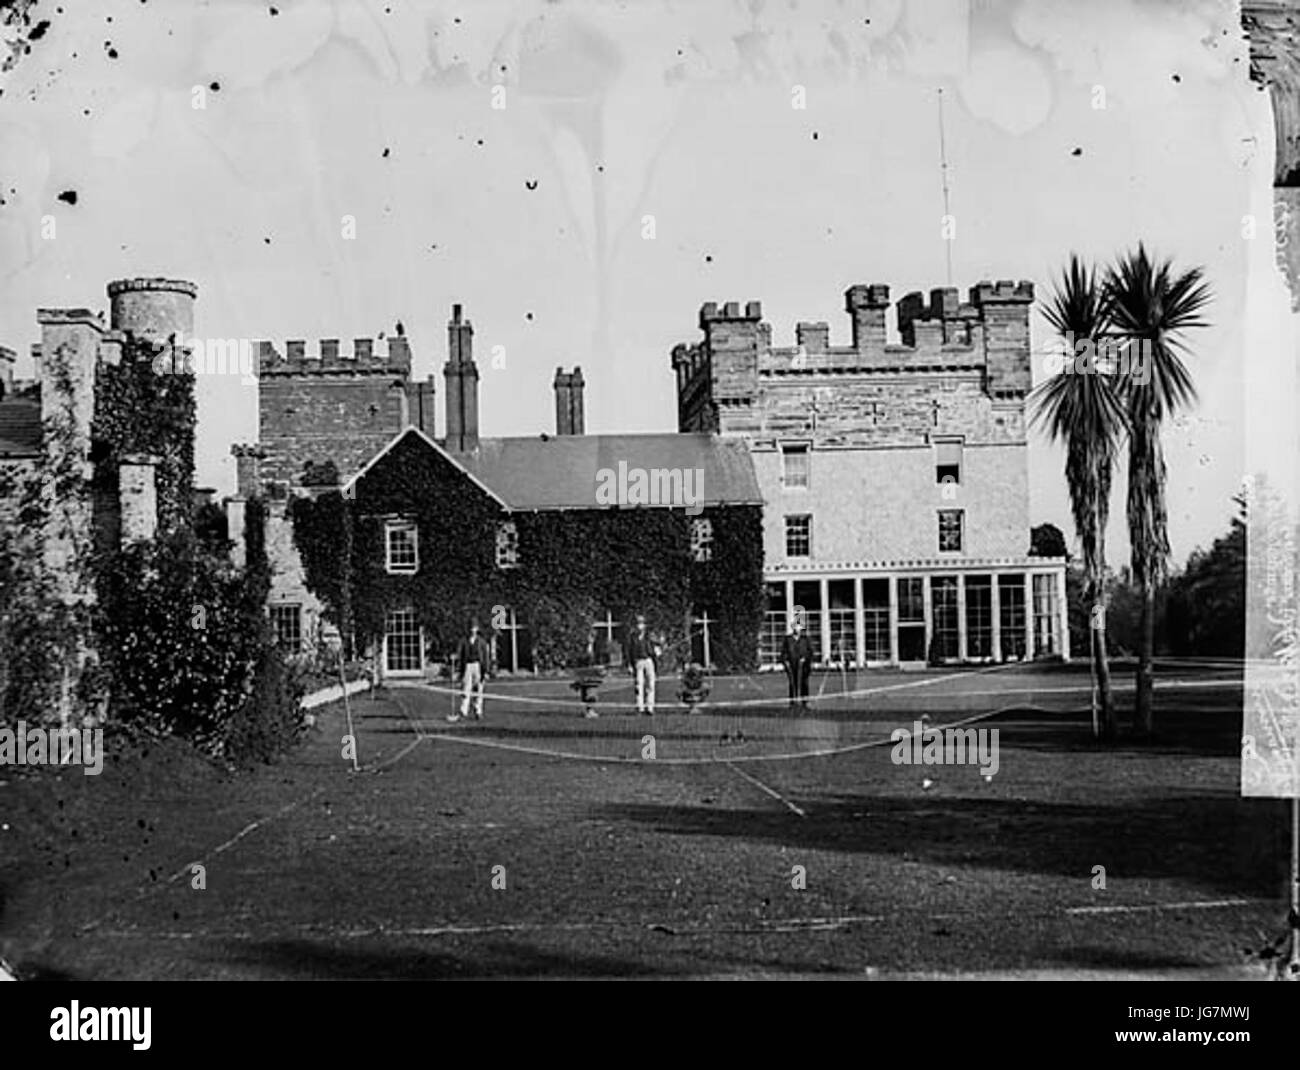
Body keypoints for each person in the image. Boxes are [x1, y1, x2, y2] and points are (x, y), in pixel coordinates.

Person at [448, 620, 492, 722]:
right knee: (465, 688)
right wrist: (456, 662)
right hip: (467, 665)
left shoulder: (482, 642)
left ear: (477, 629)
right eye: (471, 628)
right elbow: (460, 653)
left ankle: (478, 711)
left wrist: (486, 671)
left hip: (478, 665)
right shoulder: (464, 641)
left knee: (478, 689)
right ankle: (464, 711)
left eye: (474, 628)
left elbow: (485, 657)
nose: (473, 630)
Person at [625, 614, 659, 715]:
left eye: (641, 623)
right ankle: (639, 708)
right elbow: (628, 651)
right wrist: (629, 665)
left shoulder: (649, 635)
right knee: (639, 685)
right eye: (638, 623)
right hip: (638, 661)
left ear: (644, 625)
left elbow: (656, 645)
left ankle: (650, 707)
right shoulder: (632, 637)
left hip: (649, 660)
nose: (640, 625)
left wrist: (657, 650)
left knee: (651, 685)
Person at [781, 617, 813, 712]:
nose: (797, 629)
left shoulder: (805, 639)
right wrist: (785, 661)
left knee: (804, 683)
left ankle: (805, 702)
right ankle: (793, 702)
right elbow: (783, 652)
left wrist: (805, 658)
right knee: (792, 683)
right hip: (792, 665)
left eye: (799, 627)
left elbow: (810, 652)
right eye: (795, 627)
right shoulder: (788, 639)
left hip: (803, 666)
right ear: (793, 628)